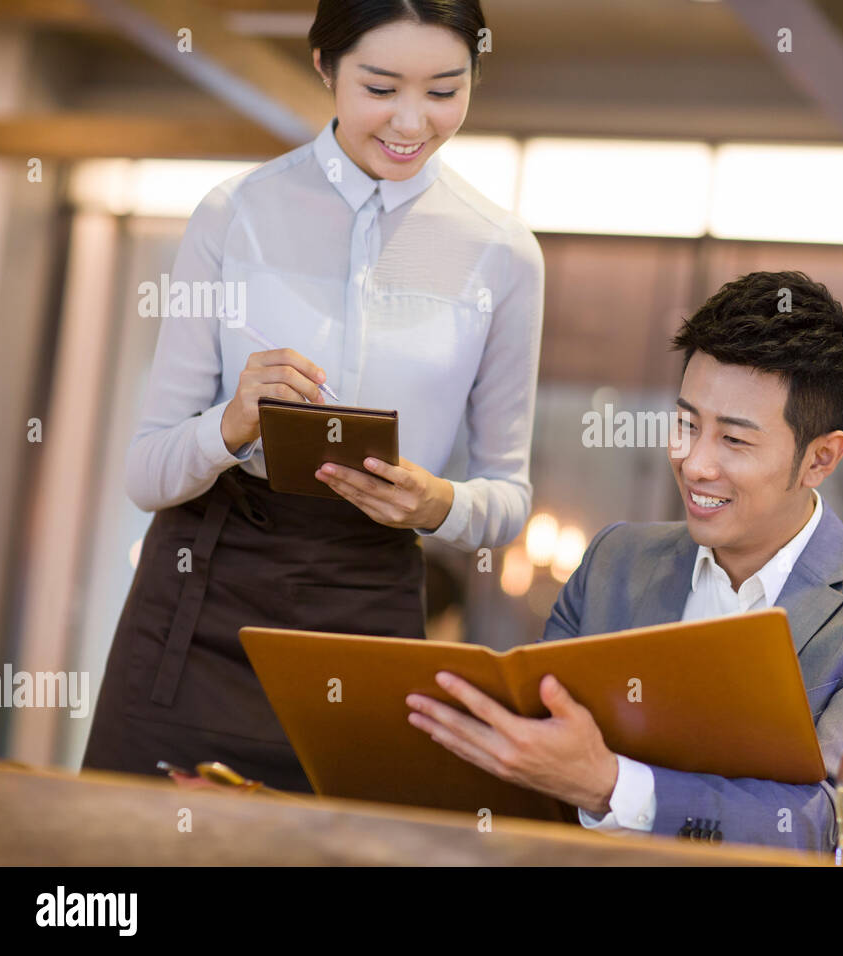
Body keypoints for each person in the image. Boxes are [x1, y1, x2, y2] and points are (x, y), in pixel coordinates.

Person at [83, 0, 543, 792]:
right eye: (380, 86)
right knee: (132, 850)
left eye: (444, 90)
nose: (411, 121)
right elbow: (145, 473)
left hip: (367, 601)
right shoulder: (236, 215)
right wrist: (230, 425)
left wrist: (437, 505)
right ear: (326, 68)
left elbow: (508, 495)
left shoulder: (501, 254)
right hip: (205, 586)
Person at [404, 271, 843, 853]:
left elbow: (834, 825)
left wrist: (613, 786)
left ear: (820, 458)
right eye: (687, 424)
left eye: (735, 441)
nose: (694, 463)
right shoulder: (613, 562)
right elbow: (535, 758)